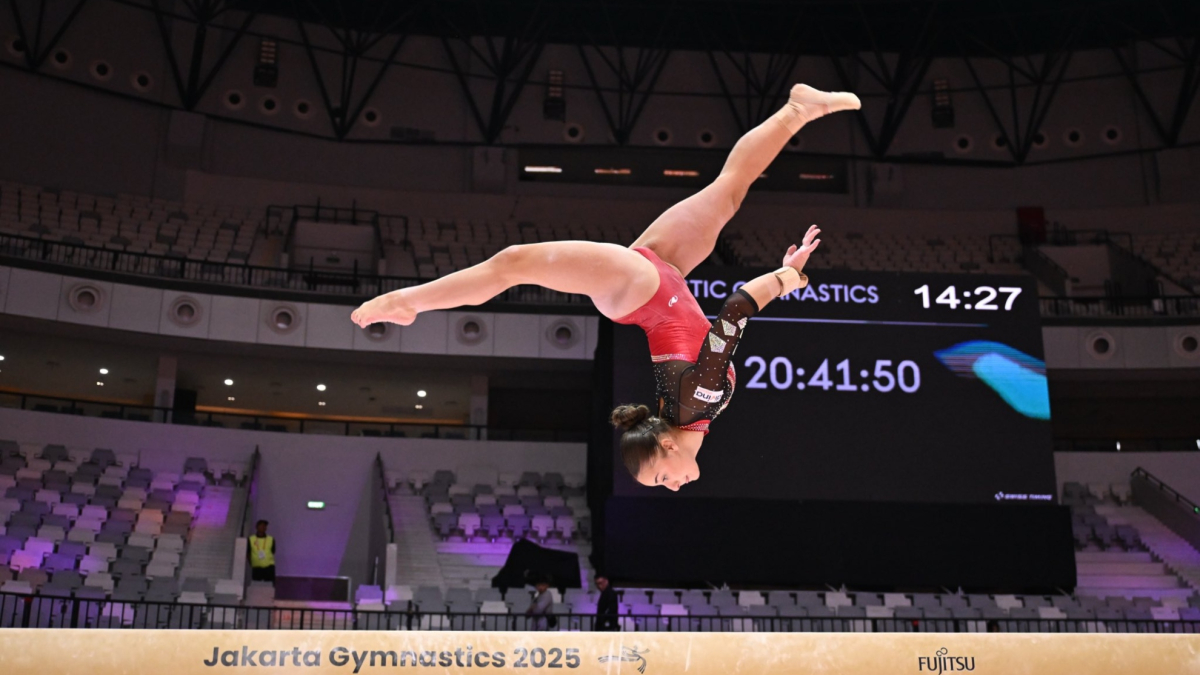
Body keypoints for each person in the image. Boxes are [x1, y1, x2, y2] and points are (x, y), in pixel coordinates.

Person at [352, 84, 859, 491]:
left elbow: (736, 310)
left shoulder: (693, 407)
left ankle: (406, 302)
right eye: (663, 485)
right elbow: (728, 316)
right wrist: (786, 275)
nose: (673, 486)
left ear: (666, 447)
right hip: (662, 279)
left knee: (512, 263)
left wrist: (787, 278)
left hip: (640, 290)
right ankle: (797, 109)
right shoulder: (691, 416)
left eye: (662, 478)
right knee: (728, 191)